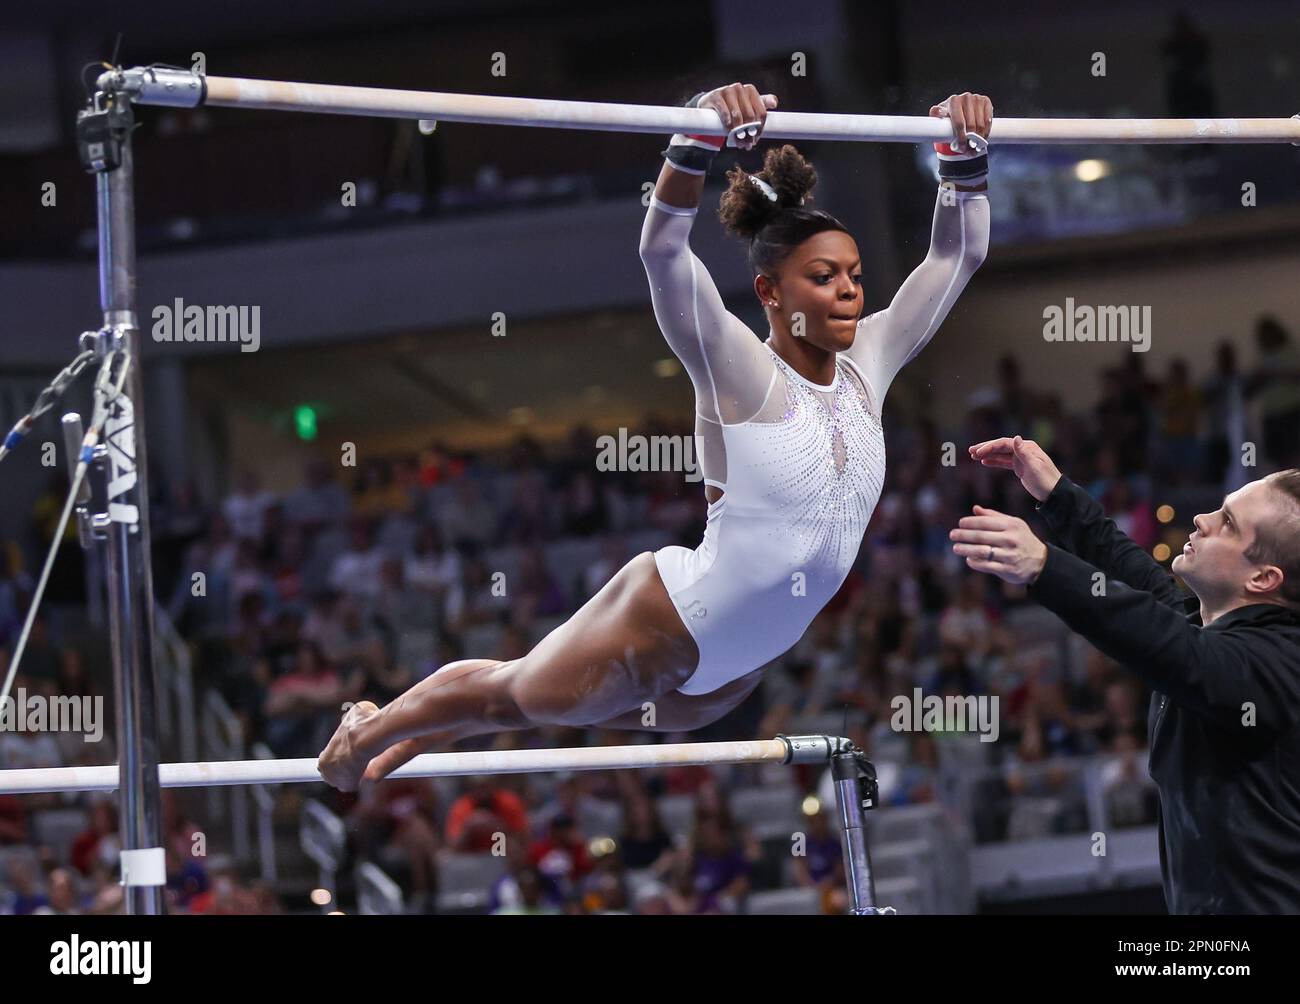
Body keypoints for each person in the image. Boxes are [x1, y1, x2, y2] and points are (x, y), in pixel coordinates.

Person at [318, 83, 992, 792]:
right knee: (516, 696)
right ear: (770, 294)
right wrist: (693, 140)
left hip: (737, 669)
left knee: (512, 701)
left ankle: (395, 737)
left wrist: (963, 156)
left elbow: (957, 257)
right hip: (672, 620)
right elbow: (664, 251)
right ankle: (368, 731)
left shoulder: (870, 364)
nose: (850, 292)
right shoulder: (738, 367)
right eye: (822, 278)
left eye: (854, 275)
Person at [953, 435, 1300, 913]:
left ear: (1263, 578)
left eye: (1227, 524)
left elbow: (1160, 640)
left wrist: (1045, 566)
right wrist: (1056, 493)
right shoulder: (1213, 631)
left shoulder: (1278, 664)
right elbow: (1130, 575)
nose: (1200, 518)